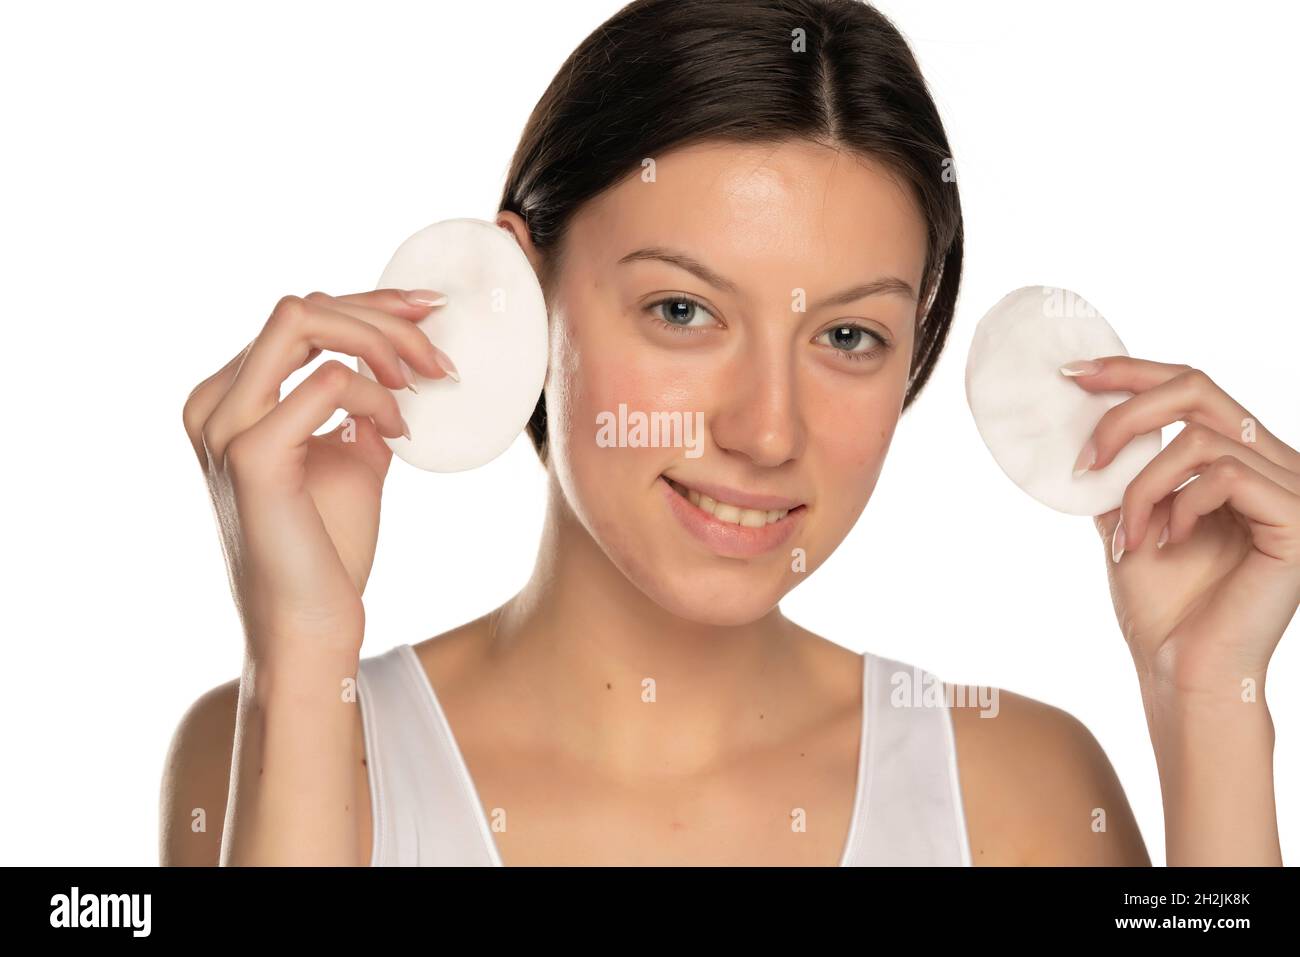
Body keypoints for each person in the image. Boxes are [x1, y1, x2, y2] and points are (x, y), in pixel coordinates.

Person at [160, 0, 1298, 866]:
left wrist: (1210, 708)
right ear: (511, 292)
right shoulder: (280, 734)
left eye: (848, 336)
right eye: (683, 311)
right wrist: (302, 651)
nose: (766, 430)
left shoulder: (1025, 795)